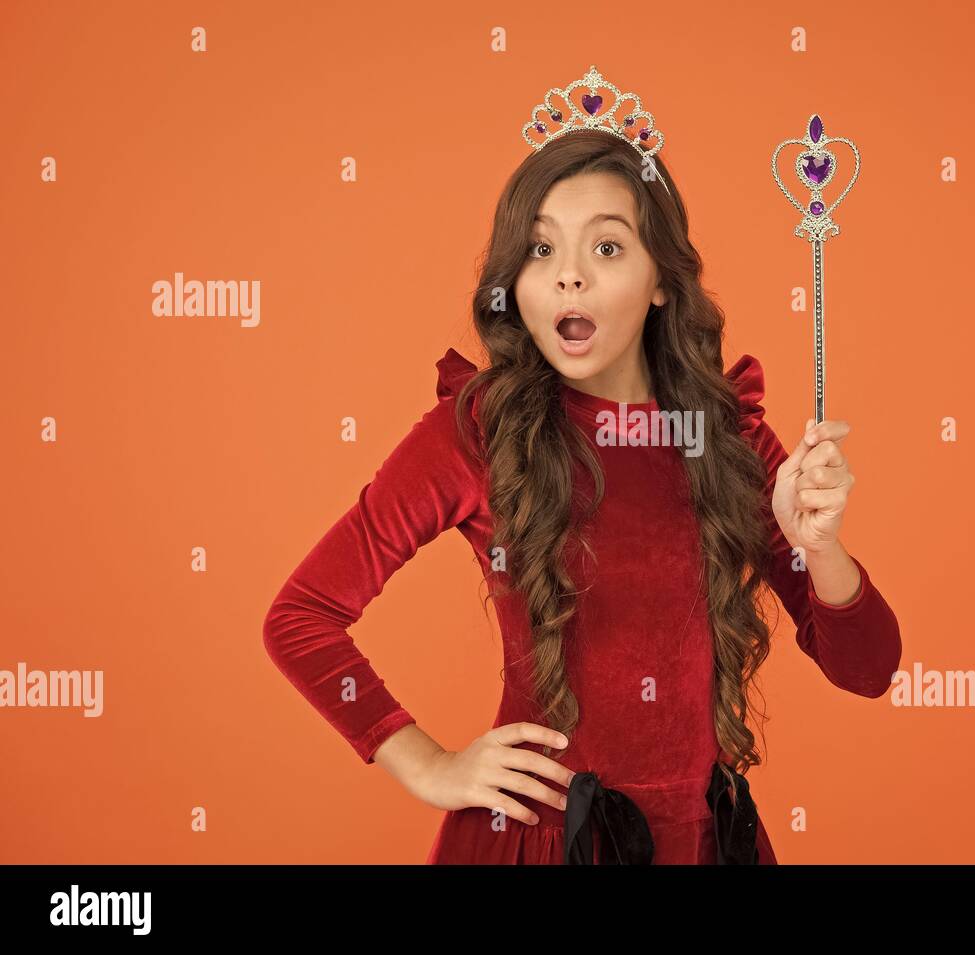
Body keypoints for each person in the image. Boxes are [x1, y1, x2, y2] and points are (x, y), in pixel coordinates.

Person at [262, 66, 902, 864]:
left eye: (606, 245)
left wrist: (824, 547)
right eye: (540, 247)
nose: (569, 273)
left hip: (704, 843)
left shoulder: (727, 435)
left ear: (662, 281)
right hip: (541, 843)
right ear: (517, 279)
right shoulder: (479, 431)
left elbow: (870, 668)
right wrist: (424, 762)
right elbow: (300, 616)